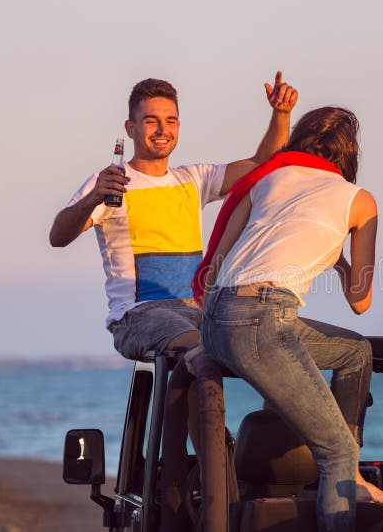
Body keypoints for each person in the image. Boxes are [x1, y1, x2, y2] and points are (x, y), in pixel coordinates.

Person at [49, 72, 298, 531]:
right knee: (197, 346)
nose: (161, 129)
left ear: (179, 126)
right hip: (138, 316)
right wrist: (91, 202)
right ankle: (211, 489)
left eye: (170, 120)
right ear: (130, 129)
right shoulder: (112, 183)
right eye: (150, 121)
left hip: (194, 314)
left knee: (264, 340)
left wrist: (280, 114)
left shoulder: (193, 179)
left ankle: (222, 477)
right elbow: (58, 236)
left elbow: (266, 162)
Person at [197, 106, 383, 531]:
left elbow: (217, 265)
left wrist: (211, 332)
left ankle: (348, 475)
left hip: (218, 317)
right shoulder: (358, 200)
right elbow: (361, 300)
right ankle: (347, 475)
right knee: (337, 452)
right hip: (265, 318)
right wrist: (339, 264)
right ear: (349, 155)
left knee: (356, 351)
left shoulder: (264, 179)